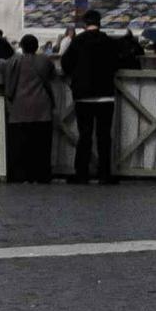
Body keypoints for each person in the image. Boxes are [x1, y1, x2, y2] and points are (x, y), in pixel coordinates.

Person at [58, 11, 123, 184]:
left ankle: (82, 173)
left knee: (84, 135)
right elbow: (118, 62)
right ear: (100, 23)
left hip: (83, 96)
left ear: (84, 24)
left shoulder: (77, 41)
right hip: (106, 95)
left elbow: (65, 64)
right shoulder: (109, 42)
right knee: (104, 136)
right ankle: (104, 174)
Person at [0, 33, 57, 181]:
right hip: (42, 110)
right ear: (36, 47)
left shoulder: (14, 61)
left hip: (19, 109)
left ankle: (20, 175)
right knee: (41, 146)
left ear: (21, 47)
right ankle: (41, 175)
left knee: (20, 146)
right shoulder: (44, 60)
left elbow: (4, 74)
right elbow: (53, 75)